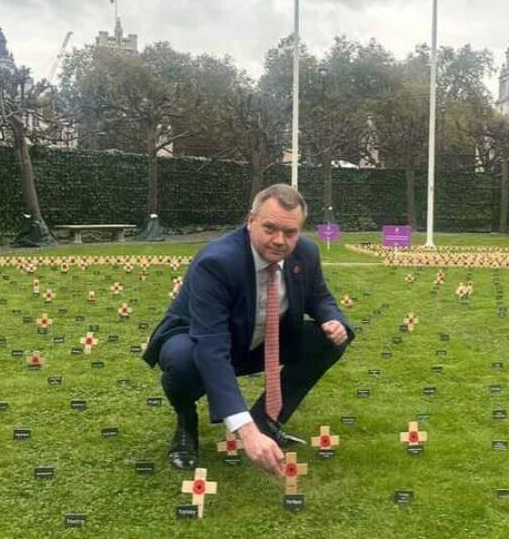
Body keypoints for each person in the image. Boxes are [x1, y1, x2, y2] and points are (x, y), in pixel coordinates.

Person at [142, 184, 352, 474]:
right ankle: (186, 424)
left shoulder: (306, 253)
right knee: (182, 360)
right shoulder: (216, 263)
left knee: (330, 340)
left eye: (290, 233)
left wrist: (332, 318)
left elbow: (318, 296)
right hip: (199, 339)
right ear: (250, 220)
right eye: (270, 228)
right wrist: (245, 431)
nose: (280, 240)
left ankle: (266, 422)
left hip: (263, 339)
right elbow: (211, 347)